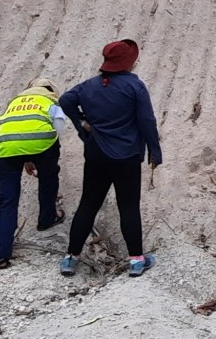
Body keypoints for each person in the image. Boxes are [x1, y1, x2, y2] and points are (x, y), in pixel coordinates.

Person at [58, 39, 162, 278]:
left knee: (88, 204)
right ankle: (137, 261)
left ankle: (71, 258)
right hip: (126, 156)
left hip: (96, 154)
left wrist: (82, 123)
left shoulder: (89, 86)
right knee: (128, 206)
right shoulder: (134, 86)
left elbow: (65, 100)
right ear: (129, 62)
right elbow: (147, 121)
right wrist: (155, 151)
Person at [0, 77, 69, 269]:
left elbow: (17, 130)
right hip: (42, 143)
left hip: (7, 148)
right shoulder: (51, 100)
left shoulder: (15, 101)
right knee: (48, 177)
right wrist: (44, 153)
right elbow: (59, 126)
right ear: (51, 90)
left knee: (7, 200)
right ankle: (47, 219)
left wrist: (27, 158)